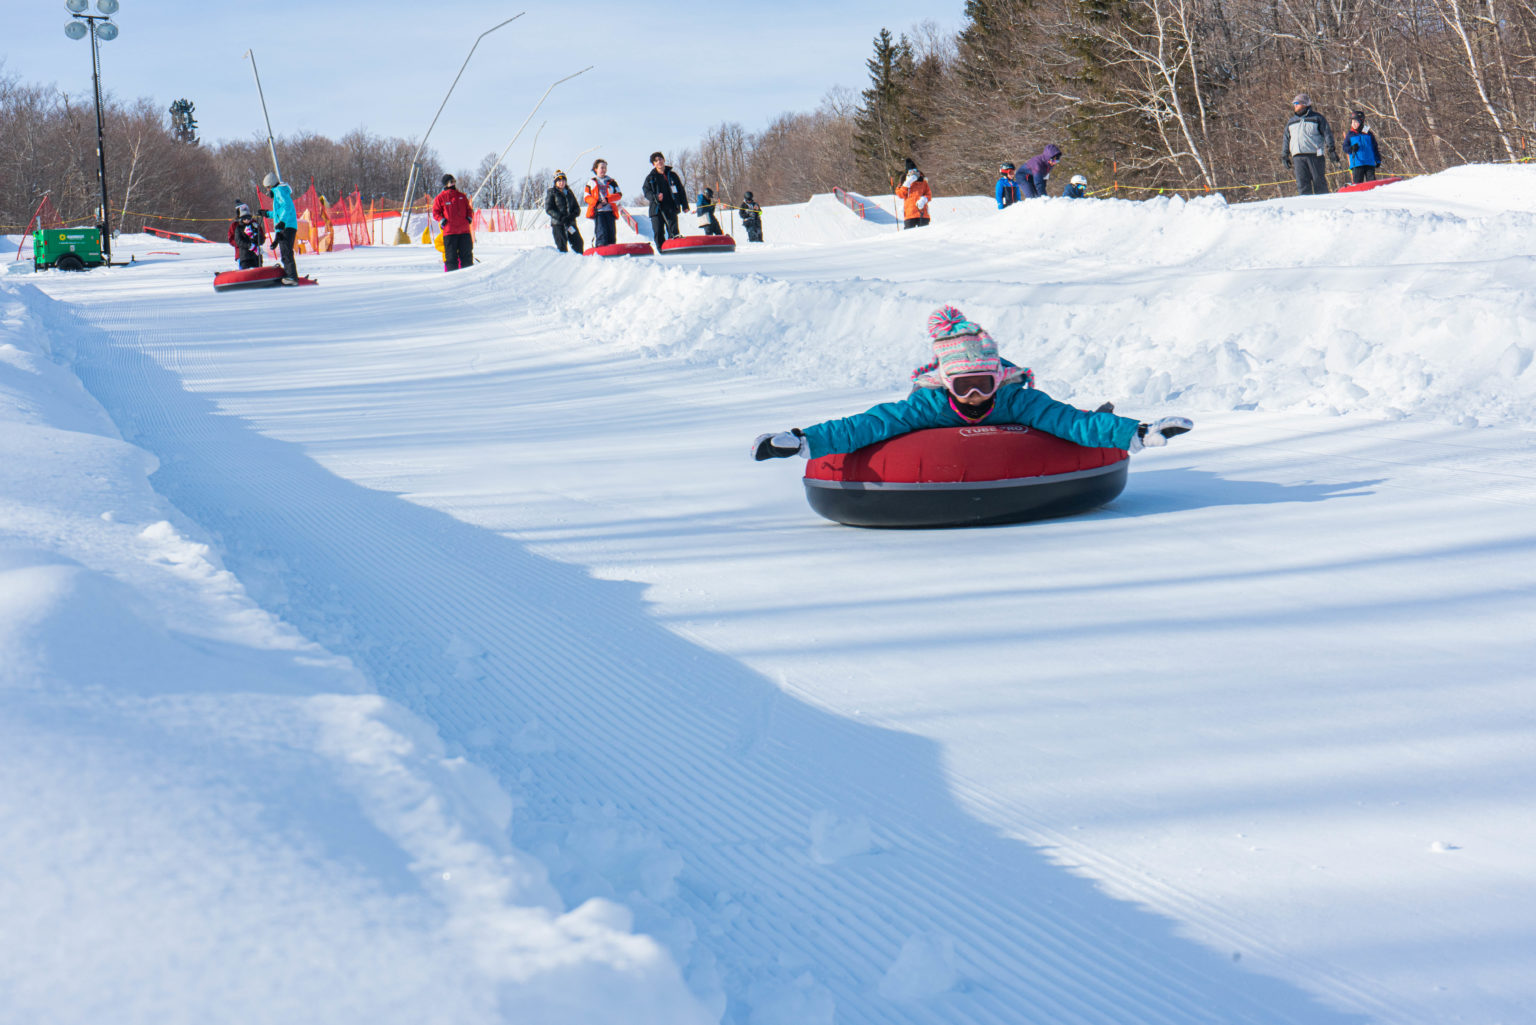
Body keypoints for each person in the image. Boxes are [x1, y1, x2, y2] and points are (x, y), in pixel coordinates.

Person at [752, 305, 1192, 461]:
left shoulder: (1014, 399)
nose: (977, 396)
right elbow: (865, 426)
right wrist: (799, 440)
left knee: (1072, 421)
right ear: (947, 386)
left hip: (1048, 425)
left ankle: (1115, 423)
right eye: (964, 388)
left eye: (984, 383)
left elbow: (1066, 421)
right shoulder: (928, 406)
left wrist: (1141, 432)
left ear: (997, 377)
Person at [1283, 93, 1339, 196]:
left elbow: (1327, 134)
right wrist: (1285, 155)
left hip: (1314, 156)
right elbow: (1286, 139)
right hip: (1298, 157)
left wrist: (1331, 150)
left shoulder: (1317, 118)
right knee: (1302, 184)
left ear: (1304, 104)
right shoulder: (1291, 122)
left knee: (1319, 183)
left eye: (1297, 103)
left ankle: (1324, 206)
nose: (1294, 105)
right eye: (1294, 103)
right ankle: (1306, 207)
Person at [643, 151, 689, 248]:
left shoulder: (672, 175)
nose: (659, 162)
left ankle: (675, 250)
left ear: (663, 160)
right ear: (653, 164)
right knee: (659, 232)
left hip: (671, 207)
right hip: (657, 209)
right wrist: (655, 196)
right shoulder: (650, 177)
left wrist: (685, 205)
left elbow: (681, 190)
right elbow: (646, 192)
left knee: (674, 232)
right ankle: (662, 252)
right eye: (656, 161)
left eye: (660, 159)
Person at [261, 172, 300, 284]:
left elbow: (287, 207)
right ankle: (290, 275)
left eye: (268, 187)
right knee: (284, 252)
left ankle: (292, 277)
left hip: (287, 226)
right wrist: (267, 214)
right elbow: (279, 212)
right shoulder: (278, 192)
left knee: (286, 252)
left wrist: (282, 222)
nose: (267, 190)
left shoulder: (279, 191)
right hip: (286, 225)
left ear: (271, 185)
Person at [431, 172, 474, 271]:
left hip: (464, 231)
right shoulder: (440, 198)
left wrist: (469, 218)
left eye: (454, 181)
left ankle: (469, 276)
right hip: (450, 232)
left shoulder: (462, 196)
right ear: (446, 184)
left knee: (467, 256)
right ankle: (452, 277)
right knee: (451, 257)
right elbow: (436, 212)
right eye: (451, 182)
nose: (453, 183)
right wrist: (442, 220)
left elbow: (469, 209)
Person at [584, 159, 622, 248]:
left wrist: (608, 199)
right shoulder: (591, 182)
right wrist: (596, 203)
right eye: (601, 168)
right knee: (601, 231)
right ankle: (600, 248)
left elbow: (619, 195)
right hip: (599, 212)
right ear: (596, 169)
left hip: (610, 211)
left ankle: (612, 248)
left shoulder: (612, 182)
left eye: (605, 168)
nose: (603, 170)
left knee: (611, 232)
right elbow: (586, 197)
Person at [544, 170, 584, 253]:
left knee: (578, 243)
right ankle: (563, 262)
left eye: (563, 180)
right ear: (555, 182)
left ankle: (579, 260)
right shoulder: (552, 192)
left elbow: (576, 208)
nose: (561, 182)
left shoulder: (569, 192)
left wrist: (572, 216)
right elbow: (549, 208)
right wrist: (560, 217)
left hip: (570, 223)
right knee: (562, 246)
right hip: (558, 224)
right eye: (559, 181)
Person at [1345, 110, 1383, 184]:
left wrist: (1378, 159)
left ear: (1361, 121)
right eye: (1352, 122)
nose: (1354, 124)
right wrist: (1351, 149)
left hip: (1369, 163)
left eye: (1356, 122)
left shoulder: (1368, 134)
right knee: (1358, 183)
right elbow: (1345, 147)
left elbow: (1374, 147)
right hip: (1357, 163)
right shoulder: (1350, 134)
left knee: (1372, 183)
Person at [895, 158, 932, 229]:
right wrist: (906, 184)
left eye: (914, 171)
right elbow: (900, 194)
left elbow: (929, 195)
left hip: (922, 213)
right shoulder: (903, 182)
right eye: (910, 171)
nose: (913, 173)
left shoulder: (923, 182)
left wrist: (924, 199)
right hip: (910, 214)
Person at [227, 201, 264, 269]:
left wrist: (255, 238)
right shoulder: (235, 226)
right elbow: (232, 240)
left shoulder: (254, 224)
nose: (247, 220)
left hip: (255, 255)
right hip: (242, 254)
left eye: (248, 217)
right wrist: (245, 245)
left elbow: (261, 238)